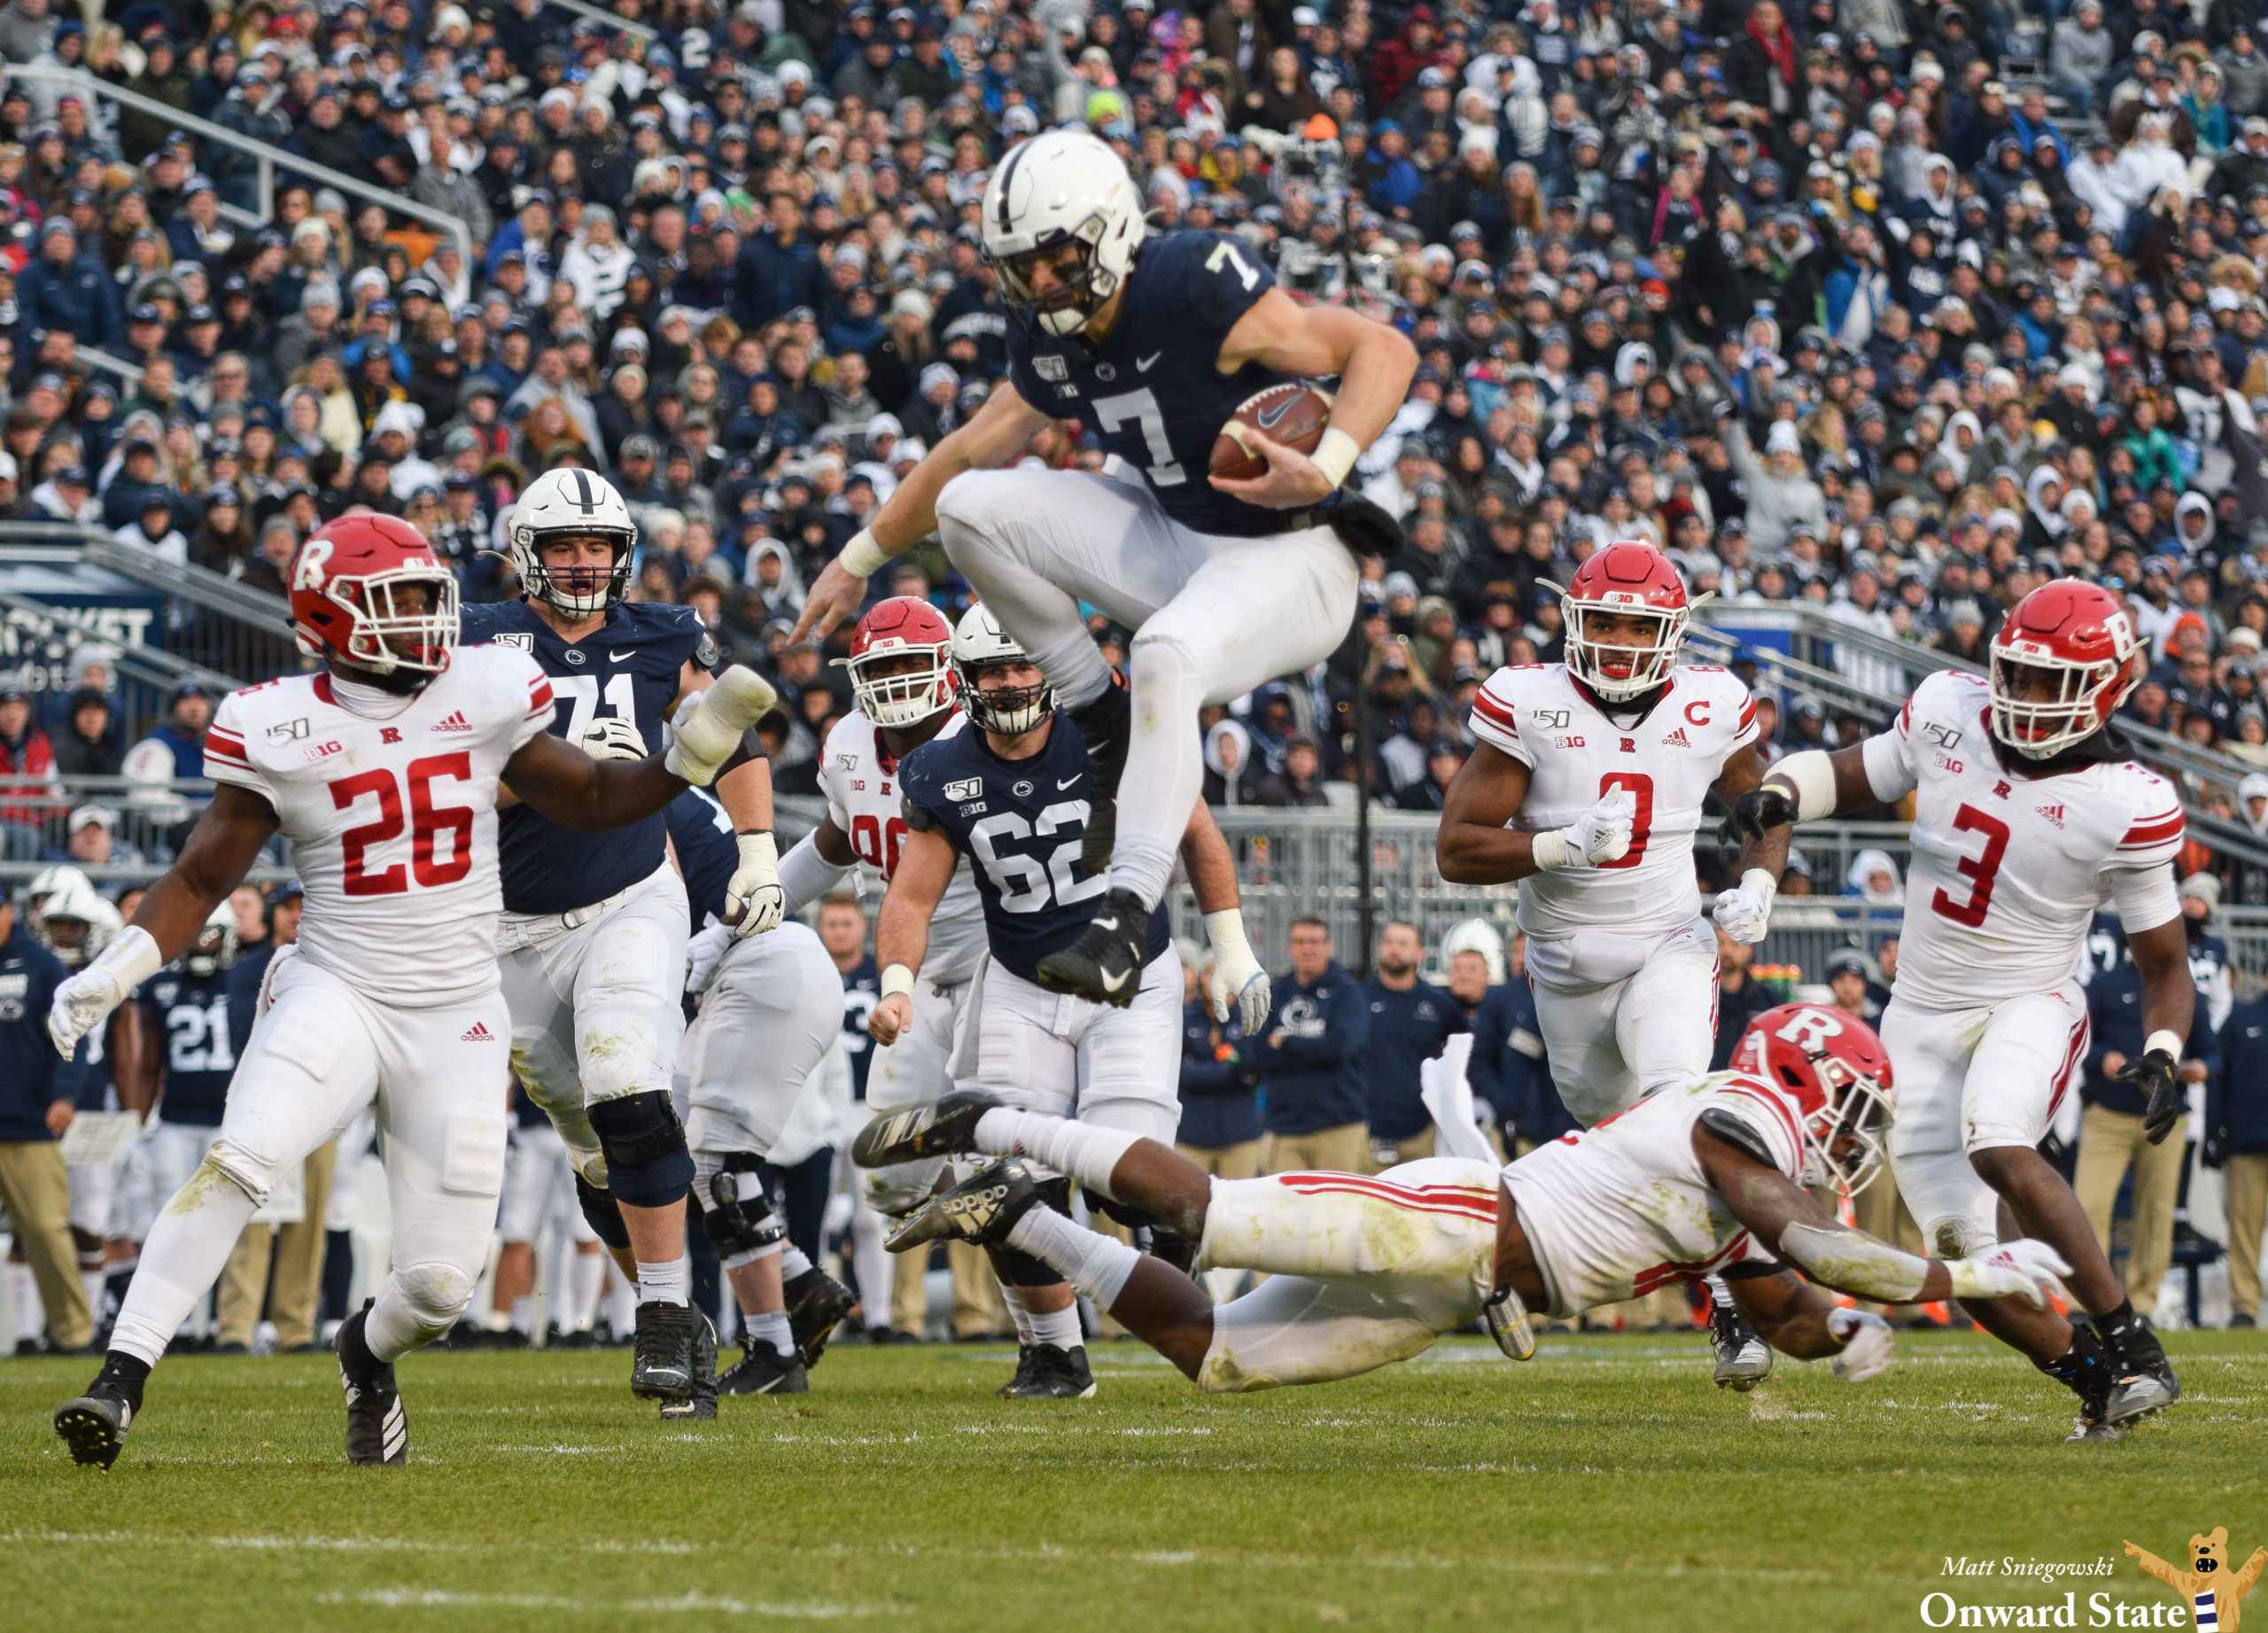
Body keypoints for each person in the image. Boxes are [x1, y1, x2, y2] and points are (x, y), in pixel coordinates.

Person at [49, 511, 779, 1467]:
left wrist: (687, 760)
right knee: (245, 1153)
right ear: (326, 614)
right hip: (339, 985)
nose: (425, 620)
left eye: (429, 597)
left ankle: (365, 1347)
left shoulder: (485, 687)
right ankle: (120, 1378)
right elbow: (197, 880)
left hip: (458, 1008)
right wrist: (113, 969)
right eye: (396, 603)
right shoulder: (276, 722)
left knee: (437, 1288)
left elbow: (595, 799)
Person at [790, 131, 1417, 1011]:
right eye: (1021, 265)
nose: (1041, 282)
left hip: (1295, 556)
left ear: (1112, 232)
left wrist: (1332, 456)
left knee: (1163, 649)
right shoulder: (1045, 339)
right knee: (971, 504)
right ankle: (1096, 711)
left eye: (1057, 257)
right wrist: (856, 562)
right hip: (1179, 537)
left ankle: (1124, 912)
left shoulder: (1190, 282)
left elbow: (1381, 348)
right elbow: (963, 452)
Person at [854, 1006, 2120, 1439]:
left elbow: (1787, 1295)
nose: (1852, 1130)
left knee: (1220, 1354)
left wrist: (1838, 1332)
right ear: (1800, 1080)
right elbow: (1796, 1235)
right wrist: (1933, 1276)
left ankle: (1016, 1213)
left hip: (1461, 1283)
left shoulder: (1762, 1159)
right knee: (1206, 1207)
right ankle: (996, 1118)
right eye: (1847, 1103)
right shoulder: (1743, 1114)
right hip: (1455, 1223)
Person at [1727, 579, 2193, 1435]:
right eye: (2016, 673)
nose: (2024, 697)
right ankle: (2096, 1378)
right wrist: (1782, 793)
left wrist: (2163, 1046)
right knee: (1959, 1248)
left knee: (1998, 1140)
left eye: (2053, 683)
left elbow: (2164, 960)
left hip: (2031, 997)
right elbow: (1845, 772)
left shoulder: (2129, 799)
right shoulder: (1947, 709)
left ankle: (2133, 1342)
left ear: (2108, 686)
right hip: (1921, 1012)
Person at [458, 465, 785, 1414]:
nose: (582, 562)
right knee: (591, 1146)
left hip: (629, 894)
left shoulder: (664, 634)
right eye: (563, 545)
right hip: (506, 921)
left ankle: (662, 1318)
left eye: (597, 545)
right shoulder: (480, 637)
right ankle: (677, 1317)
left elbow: (737, 737)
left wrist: (759, 857)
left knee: (626, 1082)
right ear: (527, 552)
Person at [880, 605, 1269, 1398]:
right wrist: (895, 984)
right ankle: (1055, 1352)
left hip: (1128, 977)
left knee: (1123, 1181)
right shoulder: (939, 768)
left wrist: (1232, 950)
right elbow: (911, 897)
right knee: (1001, 1181)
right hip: (1023, 983)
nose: (1014, 682)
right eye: (995, 669)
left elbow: (1195, 828)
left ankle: (1179, 1236)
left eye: (1025, 665)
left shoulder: (1110, 729)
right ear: (967, 679)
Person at [1438, 539, 1782, 1390]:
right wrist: (1556, 844)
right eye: (1605, 623)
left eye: (1638, 625)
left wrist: (1761, 880)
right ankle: (1513, 1255)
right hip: (1563, 966)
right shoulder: (1531, 702)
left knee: (1676, 1097)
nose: (1622, 642)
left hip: (1668, 940)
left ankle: (1733, 1305)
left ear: (1672, 633)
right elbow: (1455, 848)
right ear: (1572, 622)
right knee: (1613, 1129)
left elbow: (1764, 804)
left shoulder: (1709, 703)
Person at [765, 596, 996, 1343]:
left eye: (909, 663)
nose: (896, 681)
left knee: (1016, 1145)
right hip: (916, 972)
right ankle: (968, 1193)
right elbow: (837, 840)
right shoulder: (847, 746)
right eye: (882, 667)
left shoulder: (987, 735)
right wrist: (767, 896)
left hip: (1003, 958)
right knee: (890, 1180)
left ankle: (1050, 1341)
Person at [667, 786, 853, 1396]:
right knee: (696, 1162)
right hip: (761, 969)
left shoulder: (644, 803)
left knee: (717, 1167)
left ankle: (774, 1343)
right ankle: (800, 1284)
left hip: (762, 967)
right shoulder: (674, 795)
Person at [2072, 932, 2215, 1318]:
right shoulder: (2103, 985)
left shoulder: (2183, 990)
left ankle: (2144, 1303)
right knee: (2089, 1207)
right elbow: (2079, 1042)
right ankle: (2086, 1303)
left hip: (2165, 1117)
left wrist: (2201, 1068)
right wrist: (2102, 1058)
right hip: (2108, 1113)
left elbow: (2211, 1050)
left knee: (2156, 1212)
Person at [124, 900, 243, 1349]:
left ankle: (216, 1325)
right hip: (174, 1119)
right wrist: (137, 1122)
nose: (201, 942)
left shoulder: (244, 982)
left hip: (228, 1123)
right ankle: (169, 1326)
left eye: (212, 934)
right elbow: (150, 1059)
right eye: (198, 932)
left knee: (225, 1225)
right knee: (172, 1223)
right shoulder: (164, 985)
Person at [0, 878, 92, 1354]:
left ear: (8, 912)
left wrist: (65, 1096)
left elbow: (74, 1034)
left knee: (46, 1230)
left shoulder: (41, 967)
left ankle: (74, 1333)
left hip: (28, 1124)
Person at [1254, 917, 1370, 1175]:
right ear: (1290, 948)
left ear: (1328, 947)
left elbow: (1340, 1048)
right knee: (1285, 1212)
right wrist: (1315, 1049)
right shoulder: (1275, 993)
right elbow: (1259, 1054)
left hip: (1338, 1128)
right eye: (1300, 942)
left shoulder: (1348, 994)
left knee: (1338, 1211)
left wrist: (1285, 1041)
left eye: (1315, 941)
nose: (1307, 949)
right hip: (1284, 1130)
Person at [1357, 921, 1467, 1166]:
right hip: (1367, 1132)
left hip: (1422, 1132)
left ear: (1420, 953)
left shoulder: (1438, 1005)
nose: (1394, 950)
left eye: (1403, 944)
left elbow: (1466, 1052)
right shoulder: (1358, 999)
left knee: (1419, 1205)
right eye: (1389, 942)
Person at [2210, 985, 2268, 1329]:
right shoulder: (2241, 1018)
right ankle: (2244, 1308)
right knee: (2244, 1231)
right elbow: (2219, 1077)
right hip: (2247, 1143)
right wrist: (2215, 1130)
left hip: (2247, 1139)